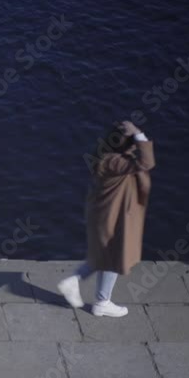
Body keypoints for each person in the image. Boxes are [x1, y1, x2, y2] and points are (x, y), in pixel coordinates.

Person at [58, 120, 155, 317]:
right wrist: (138, 134)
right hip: (112, 217)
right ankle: (101, 301)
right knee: (113, 257)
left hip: (107, 215)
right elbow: (147, 162)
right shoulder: (114, 162)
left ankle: (80, 285)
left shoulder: (105, 156)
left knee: (106, 255)